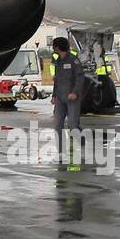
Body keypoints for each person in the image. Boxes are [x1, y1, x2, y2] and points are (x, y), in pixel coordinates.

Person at [51, 35, 82, 165]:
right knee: (58, 125)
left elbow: (80, 78)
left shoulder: (73, 60)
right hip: (60, 98)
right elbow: (56, 80)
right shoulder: (58, 61)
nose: (52, 48)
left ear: (58, 47)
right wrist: (53, 95)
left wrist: (75, 92)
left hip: (71, 99)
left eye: (54, 46)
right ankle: (60, 153)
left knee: (73, 125)